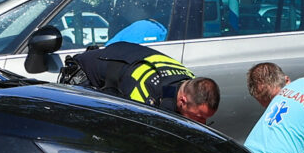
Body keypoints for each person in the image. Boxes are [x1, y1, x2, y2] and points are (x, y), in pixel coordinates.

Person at [65, 36, 219, 125]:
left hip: (124, 65)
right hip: (85, 74)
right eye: (199, 117)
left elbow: (167, 103)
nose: (203, 123)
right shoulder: (144, 90)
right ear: (183, 101)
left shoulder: (187, 81)